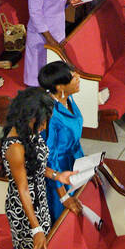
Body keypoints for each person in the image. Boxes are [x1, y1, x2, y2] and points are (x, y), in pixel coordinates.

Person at [0, 87, 62, 249]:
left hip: (39, 201)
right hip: (25, 211)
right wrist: (36, 229)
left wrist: (58, 176)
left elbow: (37, 165)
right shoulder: (15, 148)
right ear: (29, 117)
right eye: (42, 121)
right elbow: (23, 189)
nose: (44, 126)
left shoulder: (29, 131)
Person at [38, 61, 85, 222]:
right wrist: (63, 196)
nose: (78, 77)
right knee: (62, 219)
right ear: (60, 87)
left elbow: (75, 140)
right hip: (57, 172)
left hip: (74, 162)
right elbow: (50, 158)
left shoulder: (68, 99)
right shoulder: (51, 115)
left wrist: (87, 167)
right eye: (72, 77)